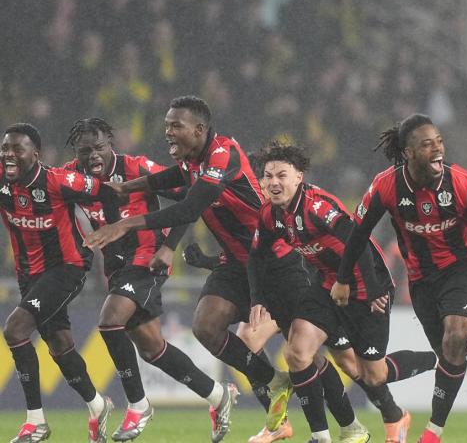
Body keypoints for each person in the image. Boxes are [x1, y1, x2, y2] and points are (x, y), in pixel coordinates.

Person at [82, 95, 270, 442]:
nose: (167, 131)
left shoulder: (219, 154)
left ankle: (138, 406)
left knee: (305, 347)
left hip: (268, 259)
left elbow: (189, 204)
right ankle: (239, 398)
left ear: (199, 130)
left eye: (175, 125)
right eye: (166, 125)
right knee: (182, 336)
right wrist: (126, 188)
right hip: (234, 262)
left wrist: (146, 235)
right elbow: (174, 179)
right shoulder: (191, 161)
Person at [335, 113, 467, 443]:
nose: (437, 149)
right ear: (408, 153)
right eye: (427, 144)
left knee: (454, 337)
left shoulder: (461, 183)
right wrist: (343, 278)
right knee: (451, 352)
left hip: (461, 266)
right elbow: (359, 232)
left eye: (439, 142)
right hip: (420, 277)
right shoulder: (387, 185)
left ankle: (433, 432)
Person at [249, 142, 438, 443]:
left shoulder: (317, 207)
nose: (274, 182)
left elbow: (357, 239)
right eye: (268, 176)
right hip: (328, 284)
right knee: (298, 352)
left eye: (282, 175)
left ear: (298, 177)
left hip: (366, 285)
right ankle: (321, 436)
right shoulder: (270, 215)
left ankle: (439, 359)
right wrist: (257, 298)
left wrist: (371, 289)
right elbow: (256, 256)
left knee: (372, 374)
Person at [64, 117, 234, 441]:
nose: (93, 156)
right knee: (152, 347)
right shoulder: (71, 178)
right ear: (76, 153)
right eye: (85, 151)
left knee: (110, 321)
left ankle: (138, 406)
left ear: (111, 144)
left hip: (148, 256)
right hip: (116, 267)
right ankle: (217, 395)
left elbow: (191, 197)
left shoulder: (136, 168)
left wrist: (169, 247)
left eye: (99, 148)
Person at [0, 123, 116, 443]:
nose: (9, 155)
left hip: (67, 268)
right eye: (5, 149)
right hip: (29, 274)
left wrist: (112, 240)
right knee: (59, 344)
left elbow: (107, 191)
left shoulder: (58, 181)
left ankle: (35, 421)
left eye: (17, 149)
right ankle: (97, 405)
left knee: (15, 330)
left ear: (35, 155)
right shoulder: (3, 180)